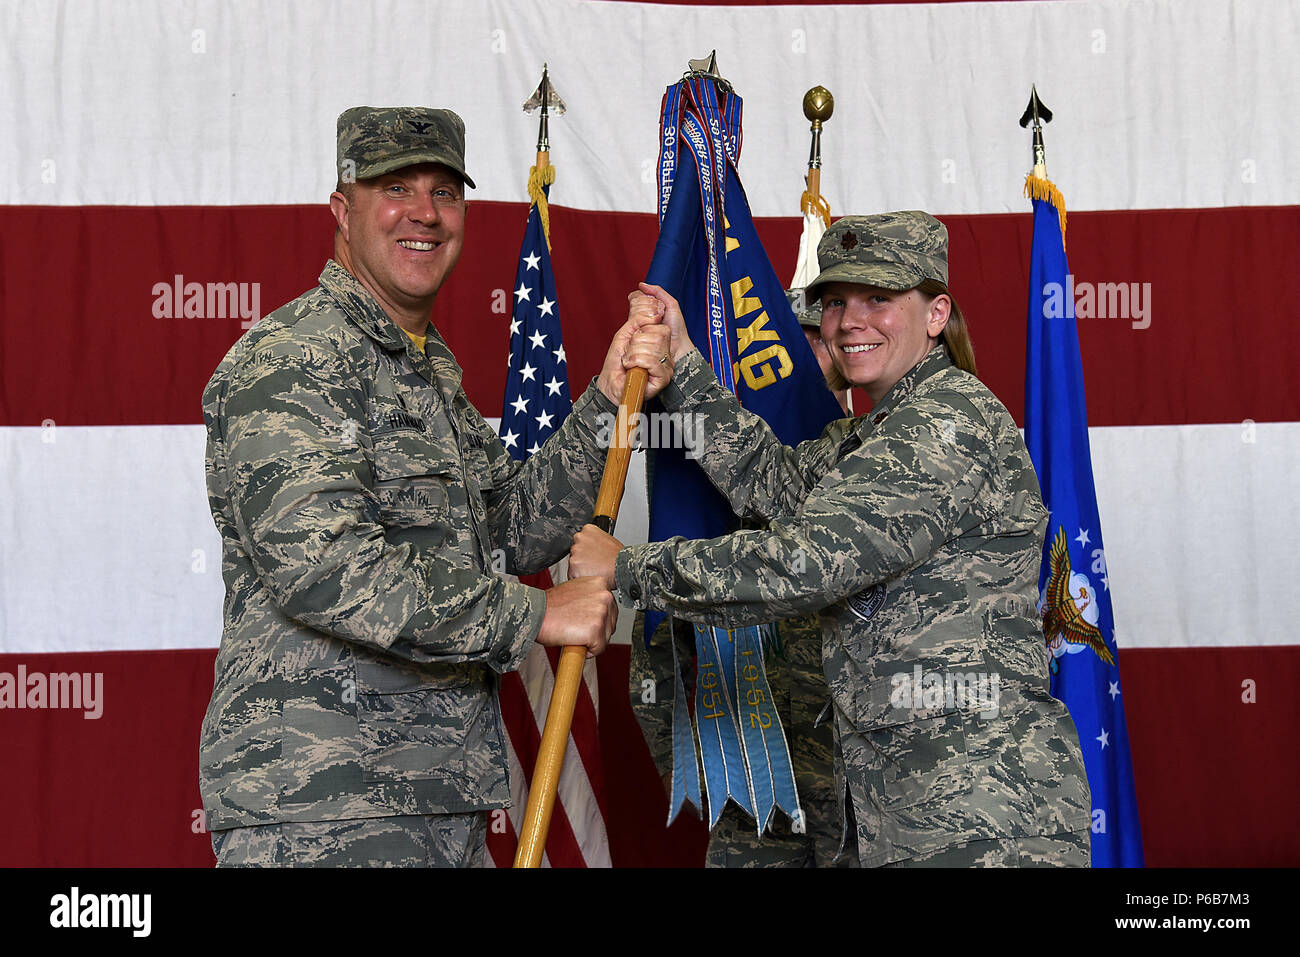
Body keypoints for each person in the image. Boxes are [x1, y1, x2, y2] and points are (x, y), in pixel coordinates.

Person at [199, 106, 673, 867]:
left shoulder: (425, 368)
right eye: (396, 187)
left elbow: (512, 526)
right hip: (324, 809)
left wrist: (607, 398)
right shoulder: (291, 361)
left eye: (445, 192)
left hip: (435, 800)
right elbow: (329, 570)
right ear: (341, 209)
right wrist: (536, 611)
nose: (424, 212)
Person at [573, 211, 1093, 867]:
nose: (851, 321)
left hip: (982, 811)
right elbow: (773, 483)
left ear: (936, 314)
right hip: (907, 804)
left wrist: (630, 568)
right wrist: (683, 359)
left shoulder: (946, 420)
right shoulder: (873, 434)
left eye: (880, 299)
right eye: (837, 301)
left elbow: (805, 561)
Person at [627, 298, 852, 868]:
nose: (803, 361)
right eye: (791, 346)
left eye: (816, 345)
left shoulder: (874, 457)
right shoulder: (713, 500)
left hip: (867, 805)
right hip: (754, 803)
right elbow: (661, 656)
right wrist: (711, 767)